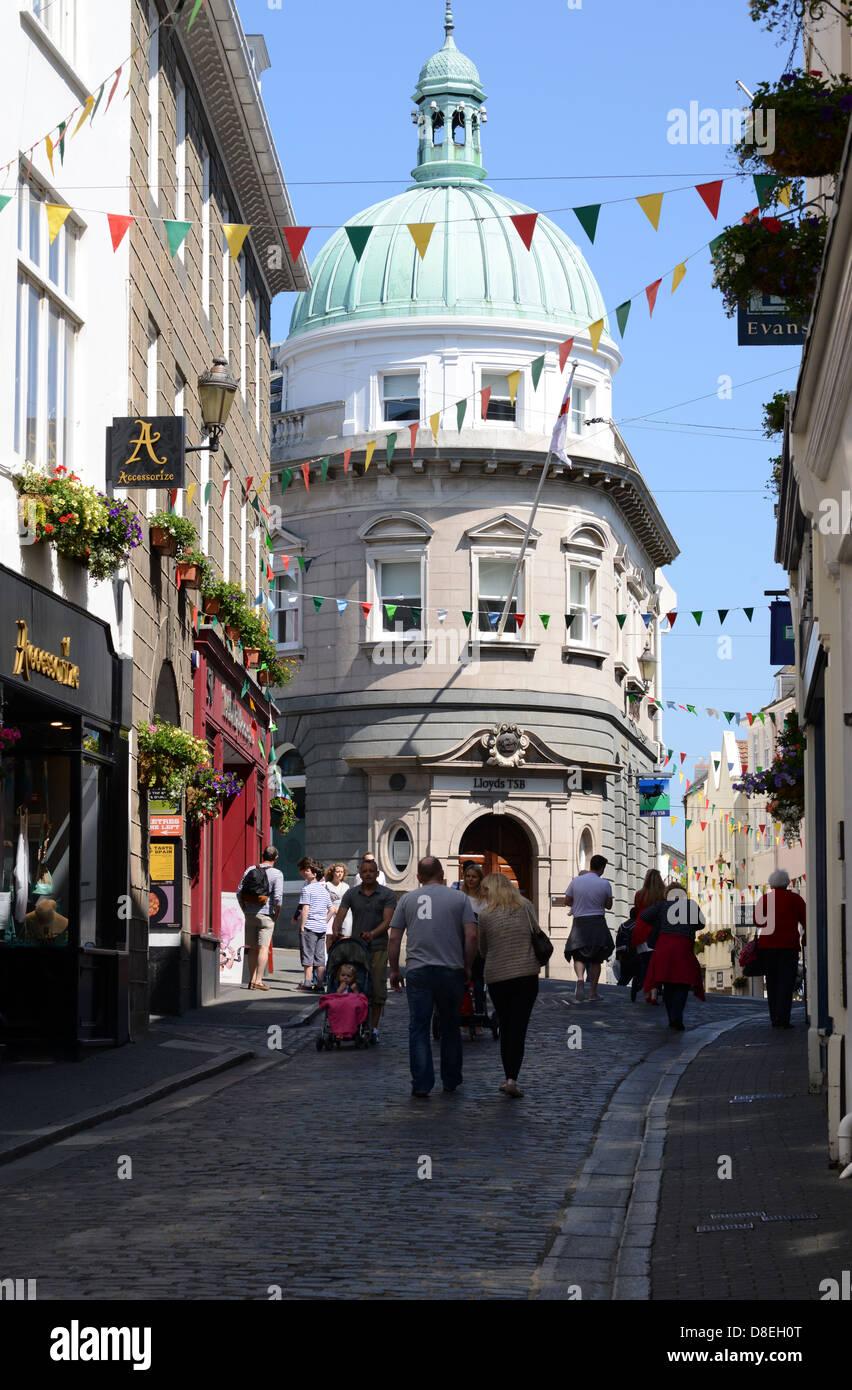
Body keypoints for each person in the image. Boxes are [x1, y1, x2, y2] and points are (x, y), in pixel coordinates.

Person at [388, 855, 478, 1097]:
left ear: (418, 877)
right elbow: (471, 935)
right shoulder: (460, 898)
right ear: (442, 876)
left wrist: (394, 969)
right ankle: (450, 1080)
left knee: (418, 1027)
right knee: (450, 1026)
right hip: (451, 970)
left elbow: (394, 937)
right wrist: (467, 966)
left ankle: (421, 1083)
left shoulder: (407, 899)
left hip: (418, 971)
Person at [476, 873, 541, 1098]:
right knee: (519, 1028)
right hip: (526, 975)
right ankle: (513, 1078)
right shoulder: (526, 907)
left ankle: (508, 1078)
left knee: (506, 1025)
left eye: (485, 889)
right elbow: (537, 933)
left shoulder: (485, 915)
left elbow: (482, 949)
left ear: (491, 890)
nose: (482, 894)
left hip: (498, 977)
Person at [331, 857, 396, 1041]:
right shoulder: (351, 894)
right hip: (356, 948)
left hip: (378, 947)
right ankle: (352, 1023)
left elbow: (388, 921)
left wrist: (373, 934)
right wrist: (335, 931)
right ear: (360, 875)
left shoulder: (387, 894)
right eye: (365, 871)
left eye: (371, 871)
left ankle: (374, 1028)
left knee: (377, 988)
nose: (368, 874)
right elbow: (340, 915)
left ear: (377, 874)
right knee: (355, 986)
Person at [640, 883, 706, 1030]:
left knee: (668, 983)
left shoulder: (662, 906)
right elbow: (701, 924)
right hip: (683, 947)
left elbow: (644, 916)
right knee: (682, 984)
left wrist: (659, 920)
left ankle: (672, 1017)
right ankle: (677, 1017)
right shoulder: (691, 905)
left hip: (664, 947)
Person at [754, 868, 806, 1028]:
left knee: (772, 982)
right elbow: (806, 920)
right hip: (788, 946)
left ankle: (774, 1017)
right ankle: (784, 1018)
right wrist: (805, 936)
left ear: (771, 884)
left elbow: (758, 921)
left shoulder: (765, 899)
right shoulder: (795, 899)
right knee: (786, 982)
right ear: (787, 882)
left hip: (768, 946)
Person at [564, 854, 614, 1002]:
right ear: (602, 868)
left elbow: (567, 900)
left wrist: (578, 902)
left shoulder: (576, 881)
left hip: (580, 922)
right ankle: (593, 992)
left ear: (591, 865)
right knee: (596, 958)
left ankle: (580, 979)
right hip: (597, 922)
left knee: (578, 954)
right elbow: (609, 905)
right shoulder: (605, 884)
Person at [236, 846, 284, 991]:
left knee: (252, 948)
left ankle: (251, 980)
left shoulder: (250, 869)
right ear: (276, 858)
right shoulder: (277, 873)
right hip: (266, 914)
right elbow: (277, 898)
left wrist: (244, 909)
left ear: (262, 856)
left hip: (250, 914)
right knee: (263, 948)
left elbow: (239, 891)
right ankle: (258, 980)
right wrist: (276, 913)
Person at [452, 860, 487, 1021]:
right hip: (460, 943)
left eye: (474, 877)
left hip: (479, 945)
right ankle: (462, 1012)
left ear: (480, 879)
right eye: (467, 876)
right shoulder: (459, 896)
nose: (470, 879)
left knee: (478, 980)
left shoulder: (485, 898)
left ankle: (479, 1013)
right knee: (460, 980)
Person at [630, 870, 668, 1002]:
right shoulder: (663, 895)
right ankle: (654, 993)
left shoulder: (639, 894)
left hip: (641, 930)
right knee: (657, 963)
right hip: (657, 931)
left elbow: (636, 910)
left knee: (645, 963)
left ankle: (647, 992)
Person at [296, 857, 331, 991]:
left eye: (308, 871)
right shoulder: (324, 890)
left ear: (314, 874)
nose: (305, 872)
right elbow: (332, 909)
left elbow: (305, 908)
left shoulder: (307, 889)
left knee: (307, 956)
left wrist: (302, 925)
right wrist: (324, 921)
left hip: (310, 926)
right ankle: (320, 984)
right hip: (321, 928)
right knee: (320, 957)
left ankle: (307, 982)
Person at [317, 963, 369, 1039]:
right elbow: (333, 995)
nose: (345, 978)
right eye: (343, 975)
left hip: (349, 1003)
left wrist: (355, 990)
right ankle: (338, 1030)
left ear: (353, 978)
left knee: (352, 1006)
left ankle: (347, 1030)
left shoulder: (354, 986)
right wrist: (340, 989)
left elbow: (359, 998)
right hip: (339, 1002)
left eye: (349, 976)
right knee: (334, 1006)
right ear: (339, 976)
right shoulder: (336, 984)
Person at [325, 862, 352, 952]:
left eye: (342, 871)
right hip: (332, 913)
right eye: (337, 871)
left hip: (346, 914)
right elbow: (324, 900)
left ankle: (343, 957)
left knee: (345, 937)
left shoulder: (346, 886)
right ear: (332, 873)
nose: (340, 873)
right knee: (331, 937)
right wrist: (332, 907)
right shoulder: (327, 885)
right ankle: (328, 957)